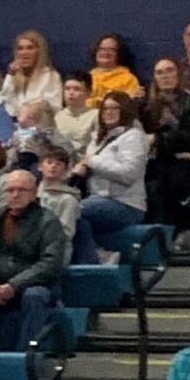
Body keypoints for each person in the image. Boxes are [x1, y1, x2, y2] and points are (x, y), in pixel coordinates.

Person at [0, 171, 68, 352]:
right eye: (10, 190)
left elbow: (50, 263)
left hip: (34, 285)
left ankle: (25, 359)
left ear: (34, 193)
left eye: (22, 190)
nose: (15, 194)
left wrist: (13, 286)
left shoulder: (48, 221)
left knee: (34, 297)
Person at [71, 92, 149, 265]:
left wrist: (92, 161)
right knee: (74, 216)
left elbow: (128, 174)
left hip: (125, 204)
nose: (108, 112)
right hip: (98, 199)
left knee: (73, 209)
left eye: (114, 108)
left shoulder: (133, 136)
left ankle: (95, 260)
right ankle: (95, 259)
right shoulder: (98, 138)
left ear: (125, 110)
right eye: (105, 108)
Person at [142, 56, 190, 228]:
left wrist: (157, 140)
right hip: (158, 161)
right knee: (150, 180)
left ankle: (170, 231)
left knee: (166, 180)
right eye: (160, 72)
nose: (165, 76)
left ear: (179, 74)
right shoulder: (146, 106)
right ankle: (161, 232)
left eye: (169, 71)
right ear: (155, 78)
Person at [37, 146, 82, 240]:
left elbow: (66, 232)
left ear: (65, 170)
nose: (53, 166)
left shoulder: (68, 199)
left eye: (58, 164)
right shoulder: (32, 192)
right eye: (49, 162)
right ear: (40, 166)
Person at [87, 33, 141, 106]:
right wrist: (95, 102)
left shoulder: (129, 79)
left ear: (118, 54)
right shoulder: (86, 78)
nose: (106, 53)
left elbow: (129, 106)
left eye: (111, 49)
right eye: (102, 48)